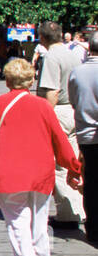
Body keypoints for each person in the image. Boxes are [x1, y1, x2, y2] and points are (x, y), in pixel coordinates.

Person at [0, 58, 82, 256]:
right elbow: (60, 140)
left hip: (8, 171)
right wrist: (74, 167)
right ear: (31, 81)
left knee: (17, 220)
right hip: (41, 170)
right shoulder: (43, 106)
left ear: (7, 81)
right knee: (40, 217)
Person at [38, 20, 86, 224]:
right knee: (74, 161)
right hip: (74, 110)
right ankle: (80, 209)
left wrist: (44, 120)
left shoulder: (51, 57)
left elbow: (52, 92)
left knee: (59, 165)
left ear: (42, 38)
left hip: (59, 112)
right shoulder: (72, 55)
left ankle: (67, 213)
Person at [67, 31, 98, 241]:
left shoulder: (77, 72)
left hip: (87, 136)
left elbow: (74, 101)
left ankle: (94, 229)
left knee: (92, 182)